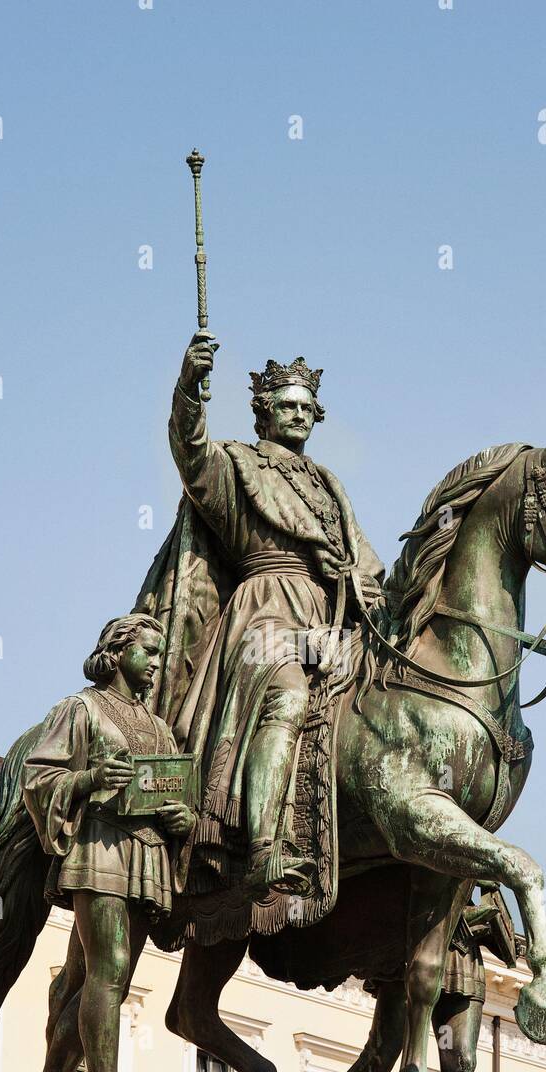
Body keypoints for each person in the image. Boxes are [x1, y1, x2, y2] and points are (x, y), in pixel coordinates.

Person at [163, 330, 385, 898]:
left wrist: (365, 586)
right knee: (286, 694)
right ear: (264, 413)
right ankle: (264, 846)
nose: (299, 416)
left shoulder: (330, 485)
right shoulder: (239, 465)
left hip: (331, 618)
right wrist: (191, 389)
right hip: (265, 613)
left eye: (308, 409)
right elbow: (191, 456)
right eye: (288, 406)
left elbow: (366, 563)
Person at [19, 614, 195, 1072]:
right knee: (109, 971)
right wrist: (91, 778)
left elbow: (173, 794)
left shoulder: (158, 727)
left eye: (162, 654)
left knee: (94, 981)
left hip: (145, 856)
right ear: (118, 653)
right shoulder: (82, 709)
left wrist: (181, 819)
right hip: (99, 846)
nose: (158, 663)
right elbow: (38, 777)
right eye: (150, 652)